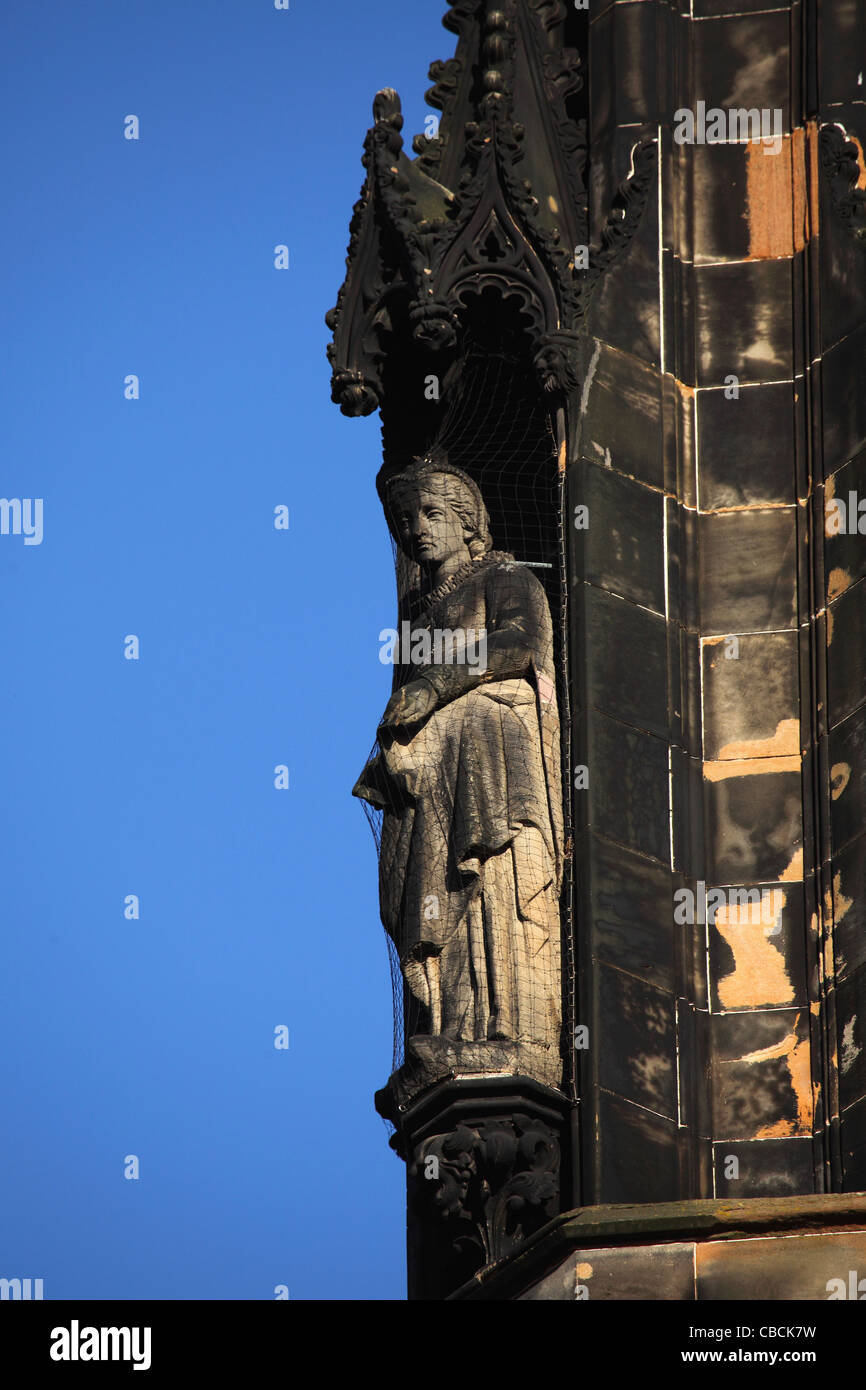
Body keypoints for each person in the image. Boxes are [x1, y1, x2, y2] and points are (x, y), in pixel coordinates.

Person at [354, 451, 563, 1088]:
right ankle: (449, 1027)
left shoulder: (501, 576)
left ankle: (507, 1031)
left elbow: (523, 644)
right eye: (405, 518)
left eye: (432, 513)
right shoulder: (421, 616)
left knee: (490, 888)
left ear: (468, 522)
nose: (418, 527)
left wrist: (436, 687)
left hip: (490, 767)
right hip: (436, 784)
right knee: (436, 900)